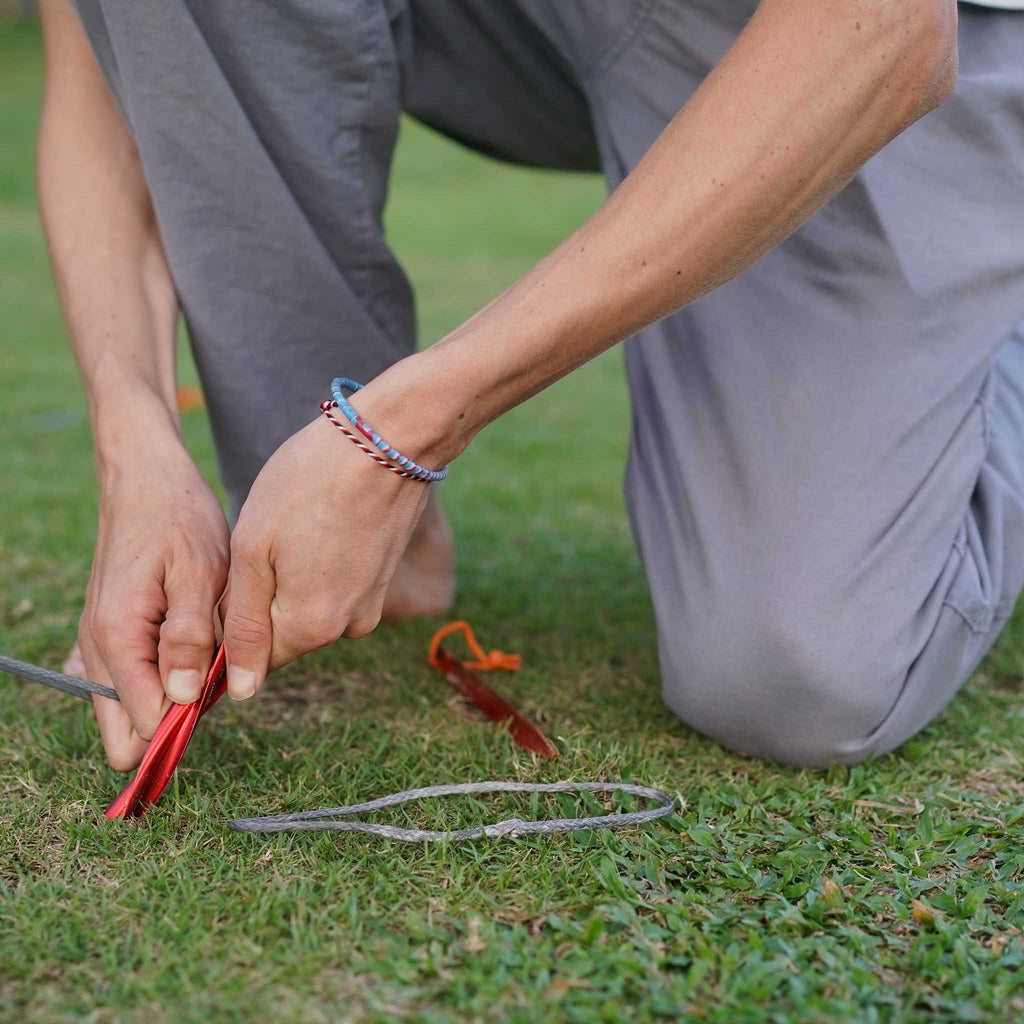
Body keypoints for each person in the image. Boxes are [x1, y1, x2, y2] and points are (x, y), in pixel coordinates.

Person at [36, 0, 1024, 772]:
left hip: (874, 37)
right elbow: (101, 55)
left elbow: (884, 29)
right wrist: (137, 452)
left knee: (798, 677)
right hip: (531, 27)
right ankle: (365, 554)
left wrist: (409, 425)